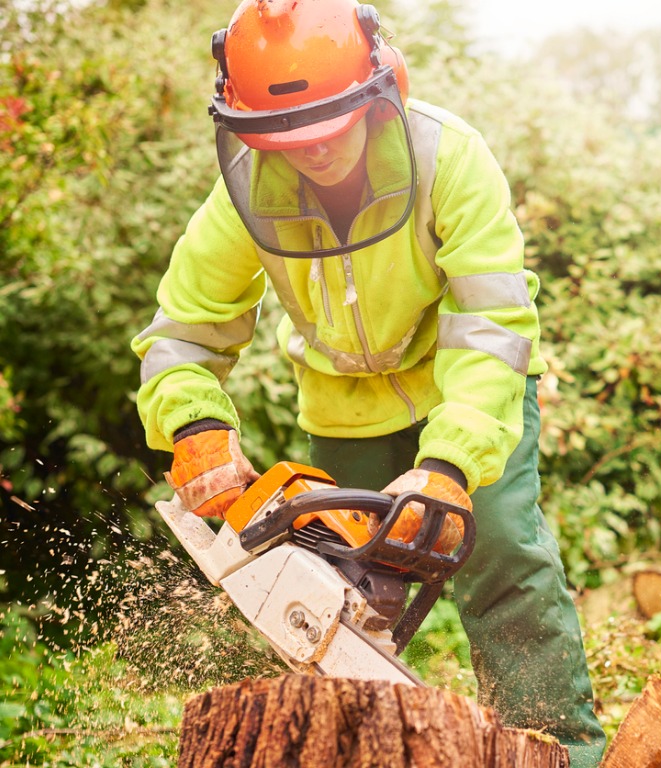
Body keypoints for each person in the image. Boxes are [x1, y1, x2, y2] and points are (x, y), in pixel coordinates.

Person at [130, 0, 606, 764]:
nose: (313, 149)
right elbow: (182, 329)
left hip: (465, 392)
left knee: (503, 556)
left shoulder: (449, 157)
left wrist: (450, 466)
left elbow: (492, 326)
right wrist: (195, 425)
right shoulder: (247, 189)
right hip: (344, 406)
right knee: (337, 586)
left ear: (379, 90)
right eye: (287, 136)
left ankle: (562, 749)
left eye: (329, 126)